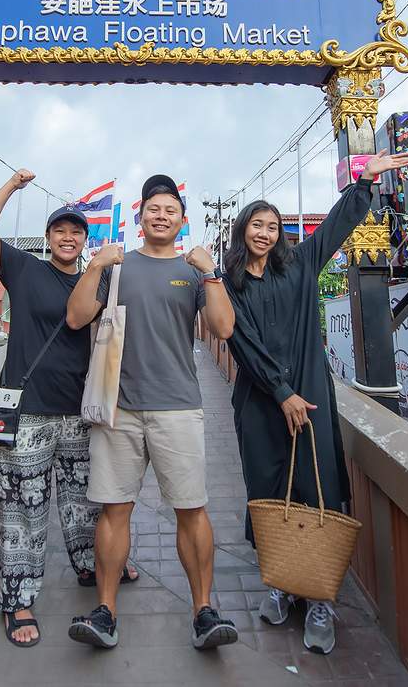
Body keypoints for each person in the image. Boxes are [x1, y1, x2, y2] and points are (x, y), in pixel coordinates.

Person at [221, 151, 408, 655]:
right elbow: (240, 342)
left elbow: (336, 225)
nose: (264, 233)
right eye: (256, 225)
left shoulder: (301, 265)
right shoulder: (232, 285)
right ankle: (281, 582)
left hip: (314, 400)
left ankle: (321, 596)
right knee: (267, 490)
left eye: (272, 226)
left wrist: (364, 183)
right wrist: (280, 393)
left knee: (317, 486)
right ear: (242, 231)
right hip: (261, 404)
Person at [65, 174, 238, 651]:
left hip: (179, 407)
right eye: (153, 209)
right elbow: (77, 317)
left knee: (192, 509)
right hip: (118, 409)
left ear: (182, 219)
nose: (161, 216)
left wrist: (212, 274)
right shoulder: (119, 265)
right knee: (114, 511)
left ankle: (203, 610)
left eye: (171, 210)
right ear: (140, 215)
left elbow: (223, 329)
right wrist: (95, 266)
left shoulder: (192, 269)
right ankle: (105, 612)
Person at [0, 168, 137, 649]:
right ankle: (19, 599)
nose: (67, 237)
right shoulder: (24, 270)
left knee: (88, 500)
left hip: (82, 409)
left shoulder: (99, 281)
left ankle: (92, 566)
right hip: (29, 411)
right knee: (23, 509)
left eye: (75, 231)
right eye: (59, 230)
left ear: (86, 240)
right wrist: (12, 186)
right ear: (48, 238)